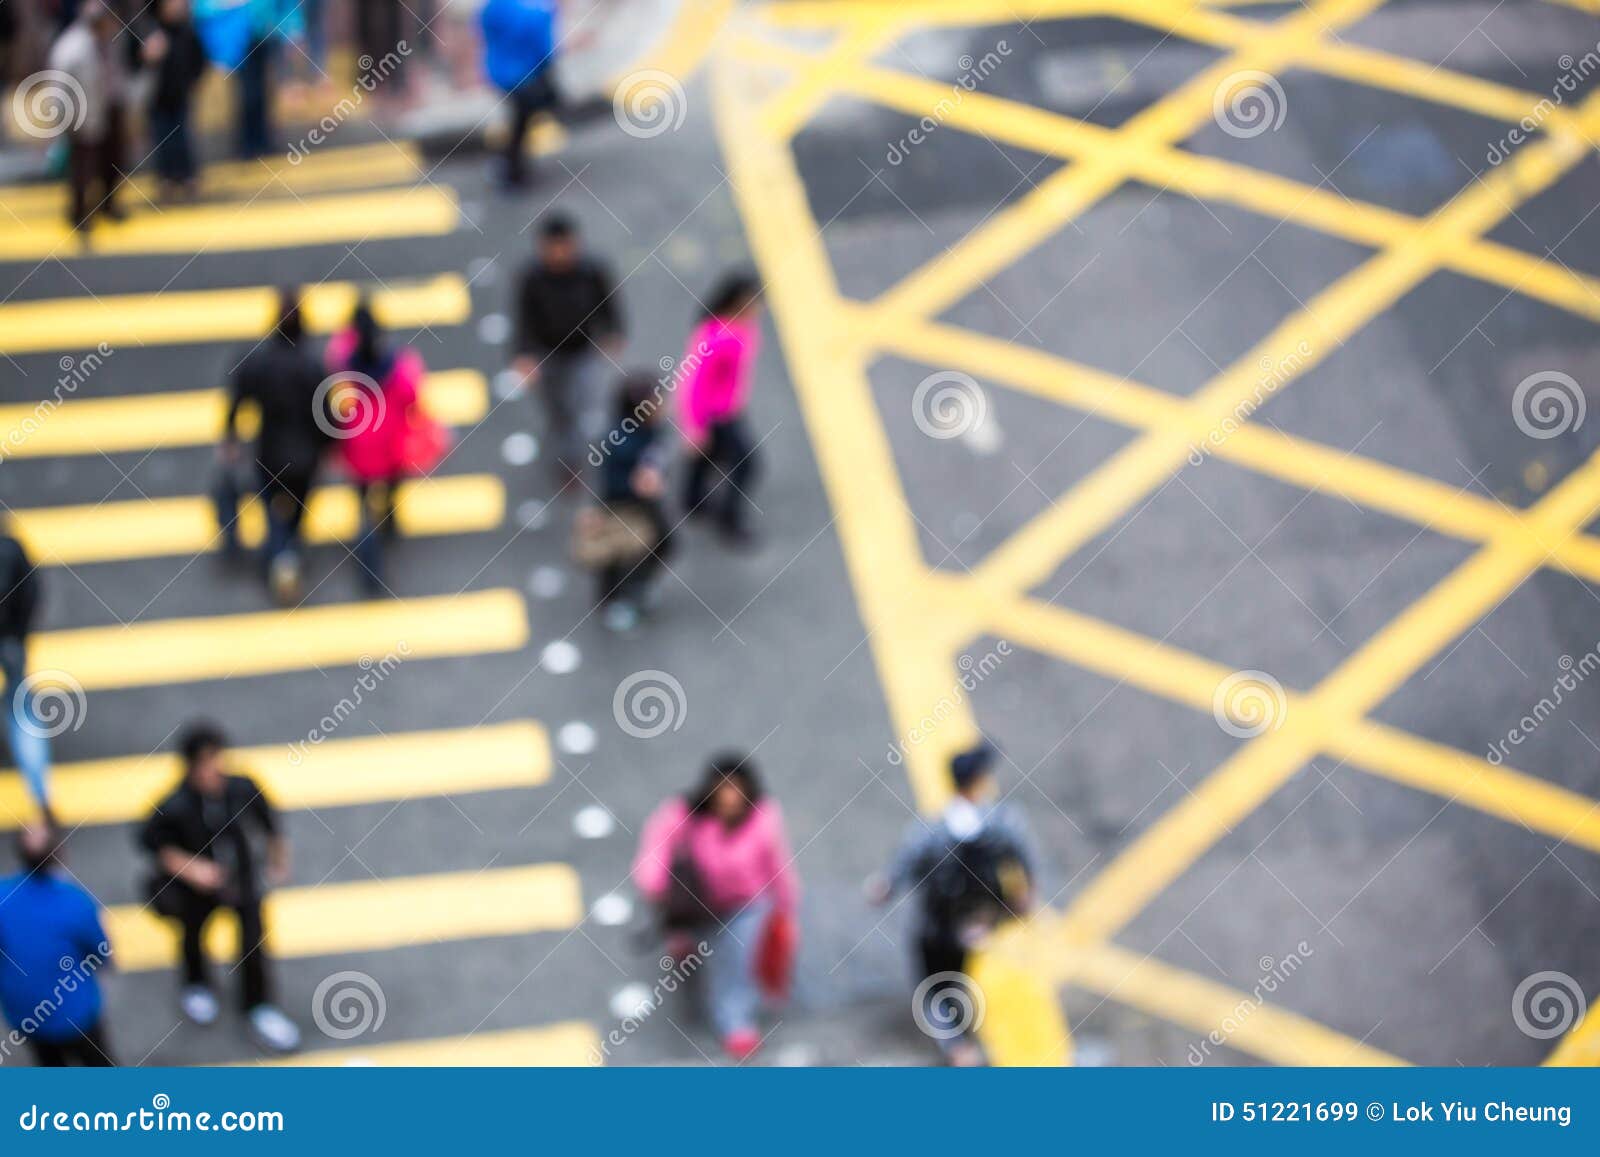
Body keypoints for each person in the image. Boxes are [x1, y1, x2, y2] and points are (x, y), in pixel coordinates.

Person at [866, 741, 1037, 1067]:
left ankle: (956, 1045)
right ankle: (960, 1032)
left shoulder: (933, 829)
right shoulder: (1002, 821)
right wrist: (1025, 896)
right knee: (958, 975)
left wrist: (883, 888)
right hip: (979, 920)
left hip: (937, 925)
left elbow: (903, 864)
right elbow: (1025, 857)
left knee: (934, 986)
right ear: (978, 780)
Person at [138, 723, 300, 1053]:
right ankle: (197, 984)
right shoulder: (174, 805)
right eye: (205, 763)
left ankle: (258, 1005)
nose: (214, 770)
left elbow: (269, 821)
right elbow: (151, 843)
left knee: (253, 943)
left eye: (217, 760)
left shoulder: (241, 789)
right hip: (197, 891)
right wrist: (191, 868)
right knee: (193, 938)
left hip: (243, 881)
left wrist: (277, 858)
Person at [633, 753, 797, 1061]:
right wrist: (654, 885)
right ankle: (683, 941)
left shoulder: (764, 818)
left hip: (743, 907)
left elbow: (778, 864)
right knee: (687, 935)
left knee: (735, 965)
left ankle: (735, 1023)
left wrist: (785, 903)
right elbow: (656, 846)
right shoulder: (685, 813)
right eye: (722, 790)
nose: (729, 799)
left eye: (737, 790)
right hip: (696, 901)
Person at [222, 288, 331, 604]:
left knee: (271, 513)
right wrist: (328, 449)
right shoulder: (312, 367)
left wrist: (231, 436)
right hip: (306, 460)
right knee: (297, 513)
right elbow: (328, 417)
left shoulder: (259, 363)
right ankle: (289, 554)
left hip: (269, 457)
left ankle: (278, 558)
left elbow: (237, 398)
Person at [324, 298, 437, 595]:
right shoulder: (399, 370)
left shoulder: (344, 372)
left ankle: (369, 567)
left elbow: (334, 409)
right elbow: (413, 399)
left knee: (362, 508)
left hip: (358, 449)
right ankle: (390, 519)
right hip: (392, 448)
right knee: (390, 489)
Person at [512, 214, 624, 486]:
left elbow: (609, 304)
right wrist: (523, 355)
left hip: (583, 351)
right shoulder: (532, 278)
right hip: (547, 354)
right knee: (557, 410)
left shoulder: (592, 270)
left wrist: (613, 332)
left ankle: (570, 460)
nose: (560, 254)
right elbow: (524, 319)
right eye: (554, 248)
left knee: (579, 404)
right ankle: (565, 448)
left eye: (566, 246)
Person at [0, 826, 115, 1066]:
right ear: (61, 854)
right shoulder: (74, 902)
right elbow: (100, 949)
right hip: (75, 1012)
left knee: (50, 1066)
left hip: (23, 1012)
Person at [681, 274, 765, 546]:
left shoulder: (745, 327)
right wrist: (695, 427)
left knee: (708, 458)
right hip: (716, 415)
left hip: (730, 409)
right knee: (746, 464)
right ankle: (729, 518)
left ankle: (692, 501)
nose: (757, 309)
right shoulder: (717, 338)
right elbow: (694, 385)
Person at [587, 371, 672, 631]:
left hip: (646, 505)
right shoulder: (619, 441)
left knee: (663, 544)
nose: (663, 406)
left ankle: (635, 588)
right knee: (618, 554)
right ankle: (613, 599)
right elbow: (609, 483)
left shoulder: (654, 429)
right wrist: (638, 484)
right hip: (621, 507)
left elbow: (656, 457)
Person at [48, 0, 129, 230]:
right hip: (82, 116)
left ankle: (108, 204)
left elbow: (119, 73)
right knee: (83, 168)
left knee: (113, 162)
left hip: (110, 108)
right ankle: (78, 213)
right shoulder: (71, 47)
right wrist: (62, 122)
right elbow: (58, 89)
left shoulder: (113, 40)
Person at [0, 526, 52, 821]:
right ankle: (40, 792)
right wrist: (20, 635)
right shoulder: (10, 546)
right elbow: (31, 593)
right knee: (21, 710)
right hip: (11, 642)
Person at [479, 0, 557, 190]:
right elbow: (546, 51)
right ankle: (513, 168)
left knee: (518, 120)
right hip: (527, 77)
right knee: (521, 122)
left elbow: (485, 30)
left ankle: (510, 161)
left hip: (499, 73)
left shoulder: (494, 6)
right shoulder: (539, 10)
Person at [142, 0, 207, 201]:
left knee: (183, 137)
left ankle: (186, 175)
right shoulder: (150, 32)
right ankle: (166, 178)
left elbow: (199, 59)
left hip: (180, 95)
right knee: (162, 138)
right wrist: (146, 56)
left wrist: (194, 81)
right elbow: (134, 62)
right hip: (157, 97)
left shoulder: (187, 32)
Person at [236, 0, 301, 158]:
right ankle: (249, 142)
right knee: (249, 90)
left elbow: (287, 4)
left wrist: (293, 30)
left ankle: (261, 139)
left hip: (264, 30)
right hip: (239, 34)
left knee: (262, 88)